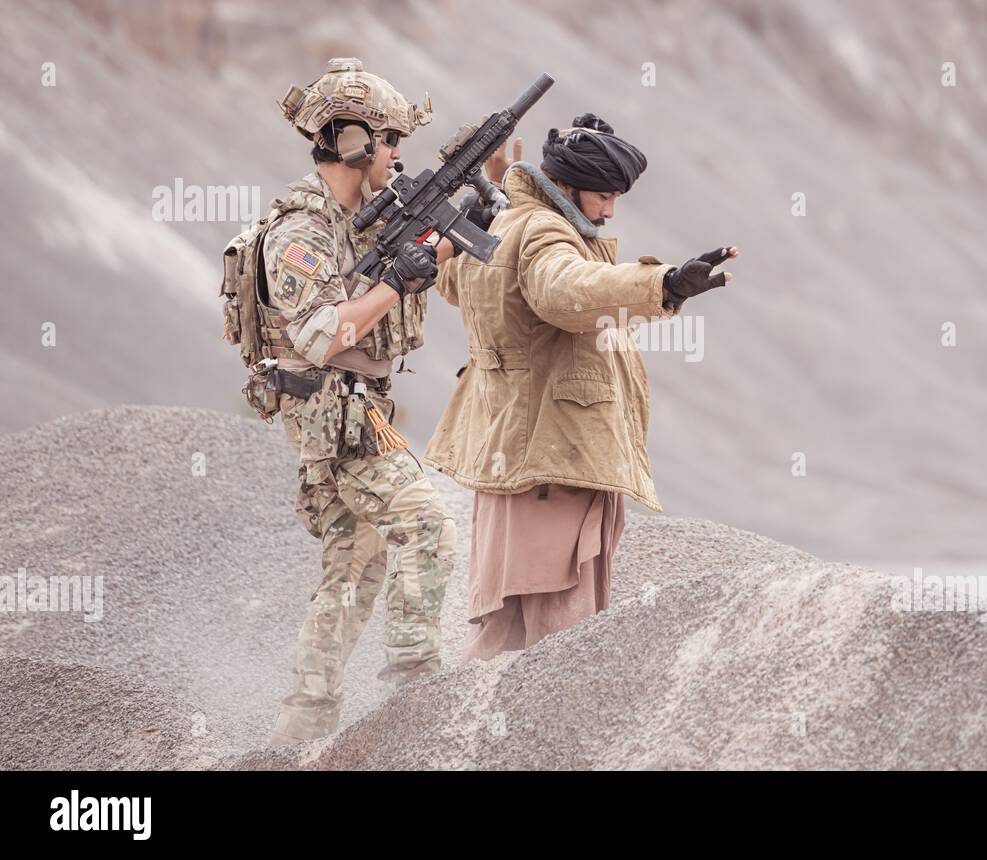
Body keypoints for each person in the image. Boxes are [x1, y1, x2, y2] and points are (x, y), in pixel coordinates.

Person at [424, 113, 738, 660]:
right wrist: (663, 283)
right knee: (559, 639)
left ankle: (468, 718)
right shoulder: (543, 231)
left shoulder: (503, 223)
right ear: (564, 185)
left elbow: (453, 279)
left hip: (512, 455)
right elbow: (566, 290)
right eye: (603, 196)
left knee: (503, 632)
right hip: (552, 461)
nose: (609, 211)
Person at [263, 58, 456, 744]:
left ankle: (302, 725)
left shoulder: (359, 221)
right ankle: (416, 688)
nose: (397, 153)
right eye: (389, 139)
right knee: (428, 527)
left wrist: (457, 229)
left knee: (356, 566)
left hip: (355, 406)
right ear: (352, 142)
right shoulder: (300, 231)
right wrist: (395, 284)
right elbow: (321, 336)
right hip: (331, 413)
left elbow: (410, 265)